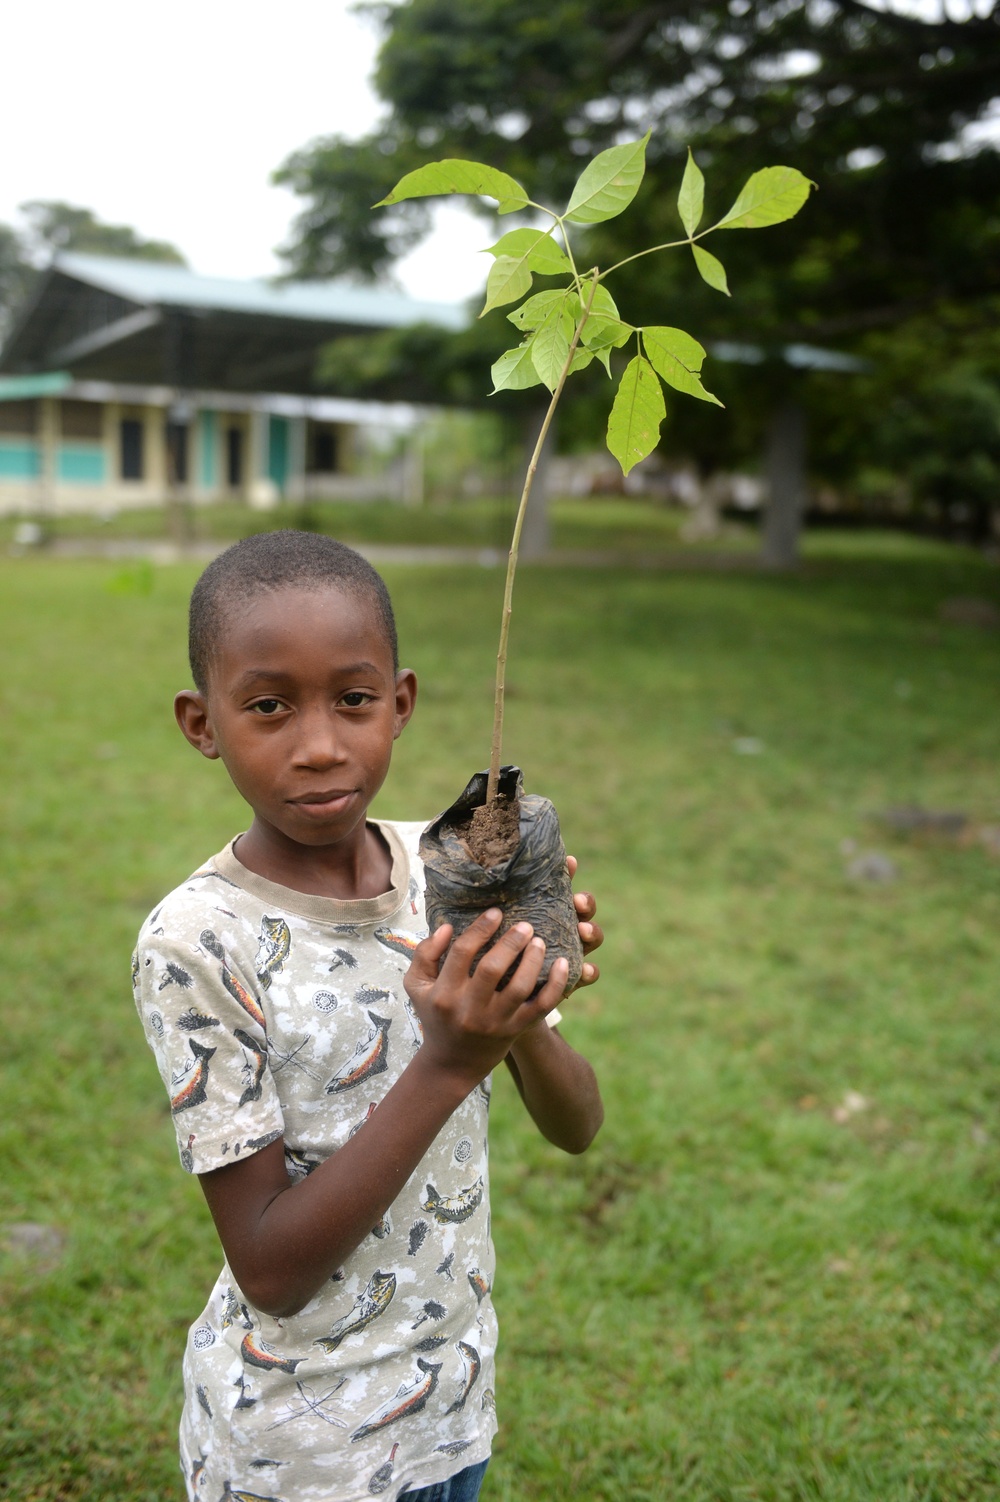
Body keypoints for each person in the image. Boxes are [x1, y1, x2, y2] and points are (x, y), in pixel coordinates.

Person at [133, 530, 604, 1502]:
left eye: (353, 699)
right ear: (201, 720)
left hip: (449, 1411)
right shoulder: (196, 941)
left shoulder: (442, 870)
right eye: (269, 705)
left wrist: (519, 1003)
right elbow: (268, 1265)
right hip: (298, 1455)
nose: (318, 744)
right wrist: (446, 1062)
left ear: (401, 702)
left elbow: (577, 1125)